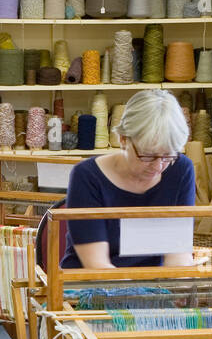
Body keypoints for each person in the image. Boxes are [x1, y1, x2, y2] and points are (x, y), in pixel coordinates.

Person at [61, 89, 196, 269]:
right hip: (89, 289)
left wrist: (180, 290)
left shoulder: (180, 170)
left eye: (168, 155)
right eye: (148, 155)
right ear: (123, 139)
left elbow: (178, 257)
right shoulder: (87, 176)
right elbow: (97, 266)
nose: (158, 167)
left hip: (152, 286)